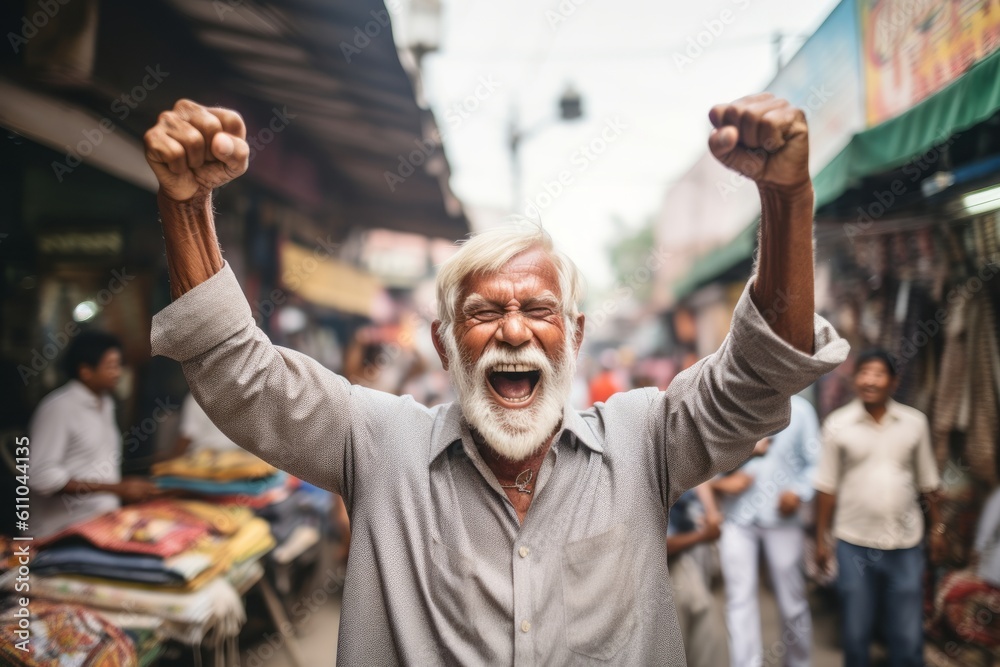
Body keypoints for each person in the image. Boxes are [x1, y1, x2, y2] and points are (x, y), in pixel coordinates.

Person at [143, 94, 848, 664]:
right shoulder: (382, 443)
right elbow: (237, 369)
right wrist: (186, 201)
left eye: (538, 309)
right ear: (445, 344)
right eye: (485, 312)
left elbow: (763, 375)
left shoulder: (643, 438)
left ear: (572, 336)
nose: (514, 330)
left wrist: (788, 198)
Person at [814, 348, 944, 667]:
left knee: (907, 635)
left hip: (906, 543)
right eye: (864, 373)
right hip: (853, 543)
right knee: (856, 633)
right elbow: (826, 486)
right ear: (855, 379)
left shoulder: (914, 423)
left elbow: (929, 483)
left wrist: (938, 529)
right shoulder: (837, 424)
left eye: (878, 373)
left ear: (893, 382)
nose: (870, 380)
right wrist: (822, 539)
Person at [713, 395, 821, 667]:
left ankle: (798, 663)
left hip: (782, 519)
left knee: (792, 601)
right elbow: (706, 456)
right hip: (737, 516)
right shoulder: (734, 405)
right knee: (739, 600)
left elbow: (816, 462)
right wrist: (720, 484)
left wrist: (798, 491)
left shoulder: (802, 411)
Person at [30, 331, 161, 537]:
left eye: (119, 365)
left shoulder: (106, 403)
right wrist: (117, 489)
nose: (118, 372)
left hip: (101, 523)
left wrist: (122, 489)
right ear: (85, 371)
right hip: (61, 531)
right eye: (111, 366)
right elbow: (41, 477)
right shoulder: (59, 408)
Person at [667, 484, 728, 667]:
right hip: (662, 571)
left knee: (707, 632)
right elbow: (662, 546)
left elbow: (703, 482)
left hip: (685, 561)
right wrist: (703, 535)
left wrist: (711, 513)